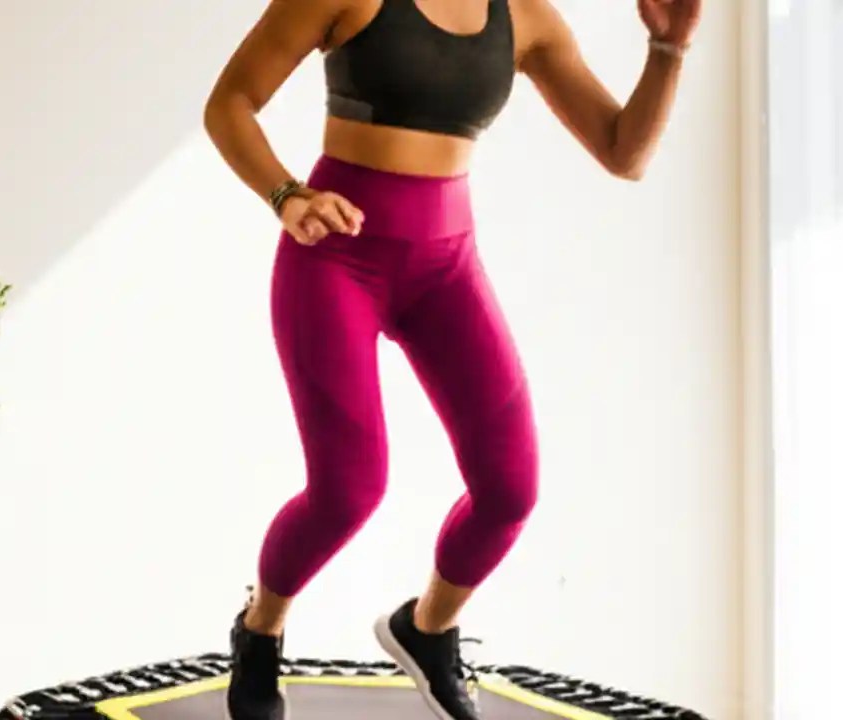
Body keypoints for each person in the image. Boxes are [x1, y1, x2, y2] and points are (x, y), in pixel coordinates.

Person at [203, 0, 700, 717]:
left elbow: (626, 152)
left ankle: (428, 628)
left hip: (445, 268)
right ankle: (261, 629)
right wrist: (286, 196)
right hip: (334, 259)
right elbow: (231, 105)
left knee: (510, 488)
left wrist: (668, 50)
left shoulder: (527, 18)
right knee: (347, 491)